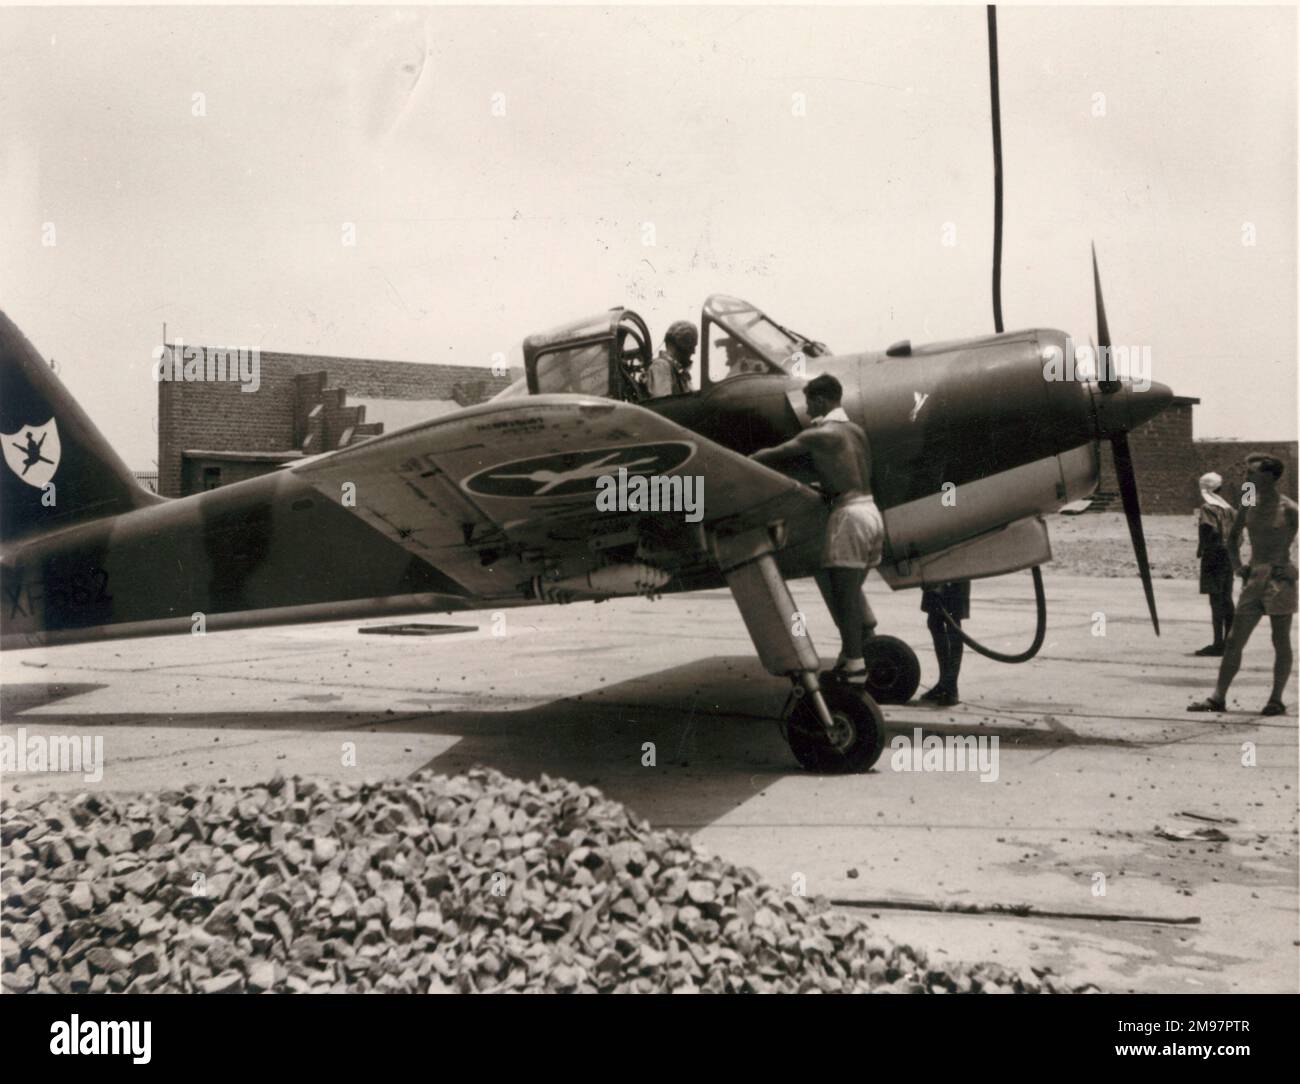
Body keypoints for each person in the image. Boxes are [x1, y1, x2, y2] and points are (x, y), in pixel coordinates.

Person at [750, 373, 884, 686]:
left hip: (849, 516)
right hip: (871, 512)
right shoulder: (856, 431)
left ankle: (855, 668)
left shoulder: (821, 434)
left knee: (844, 599)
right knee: (849, 595)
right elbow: (847, 472)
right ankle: (851, 655)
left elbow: (770, 455)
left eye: (809, 402)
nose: (806, 408)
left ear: (821, 400)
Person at [1188, 454, 1297, 716]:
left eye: (1252, 473)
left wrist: (1296, 569)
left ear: (1270, 477)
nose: (1246, 478)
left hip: (1280, 580)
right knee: (1235, 639)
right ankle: (1218, 697)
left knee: (1280, 640)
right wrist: (1238, 566)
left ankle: (1276, 700)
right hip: (1254, 576)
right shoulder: (1248, 499)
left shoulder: (1289, 508)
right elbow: (1234, 535)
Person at [1194, 471, 1236, 657]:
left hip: (1214, 556)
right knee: (1227, 599)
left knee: (1216, 601)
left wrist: (1202, 548)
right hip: (1228, 556)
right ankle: (1230, 641)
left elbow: (1208, 530)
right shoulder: (1229, 509)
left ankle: (1218, 643)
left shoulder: (1207, 508)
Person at [920, 581, 970, 706]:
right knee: (934, 622)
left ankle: (951, 687)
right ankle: (944, 683)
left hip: (953, 574)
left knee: (953, 627)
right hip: (935, 575)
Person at [646, 321, 697, 397]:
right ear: (680, 343)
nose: (693, 351)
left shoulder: (680, 373)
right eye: (691, 345)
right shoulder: (662, 366)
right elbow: (664, 405)